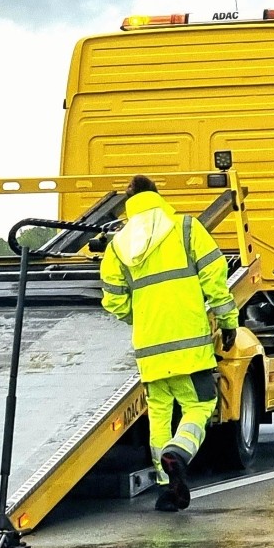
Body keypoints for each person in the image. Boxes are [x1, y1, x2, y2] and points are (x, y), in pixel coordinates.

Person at [100, 175, 238, 512]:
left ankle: (168, 487)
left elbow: (113, 299)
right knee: (201, 406)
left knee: (159, 413)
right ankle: (180, 452)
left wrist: (143, 317)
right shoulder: (186, 229)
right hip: (189, 345)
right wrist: (229, 321)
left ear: (130, 204)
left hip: (150, 348)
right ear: (157, 197)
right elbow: (215, 278)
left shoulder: (118, 244)